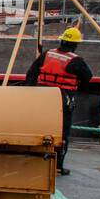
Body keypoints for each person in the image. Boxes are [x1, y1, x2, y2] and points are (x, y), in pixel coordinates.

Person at [27, 26, 93, 176]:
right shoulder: (76, 61)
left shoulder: (47, 54)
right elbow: (87, 77)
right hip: (62, 98)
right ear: (75, 44)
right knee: (62, 133)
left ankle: (35, 161)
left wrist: (29, 90)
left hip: (42, 97)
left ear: (62, 40)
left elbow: (31, 73)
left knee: (39, 128)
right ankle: (58, 166)